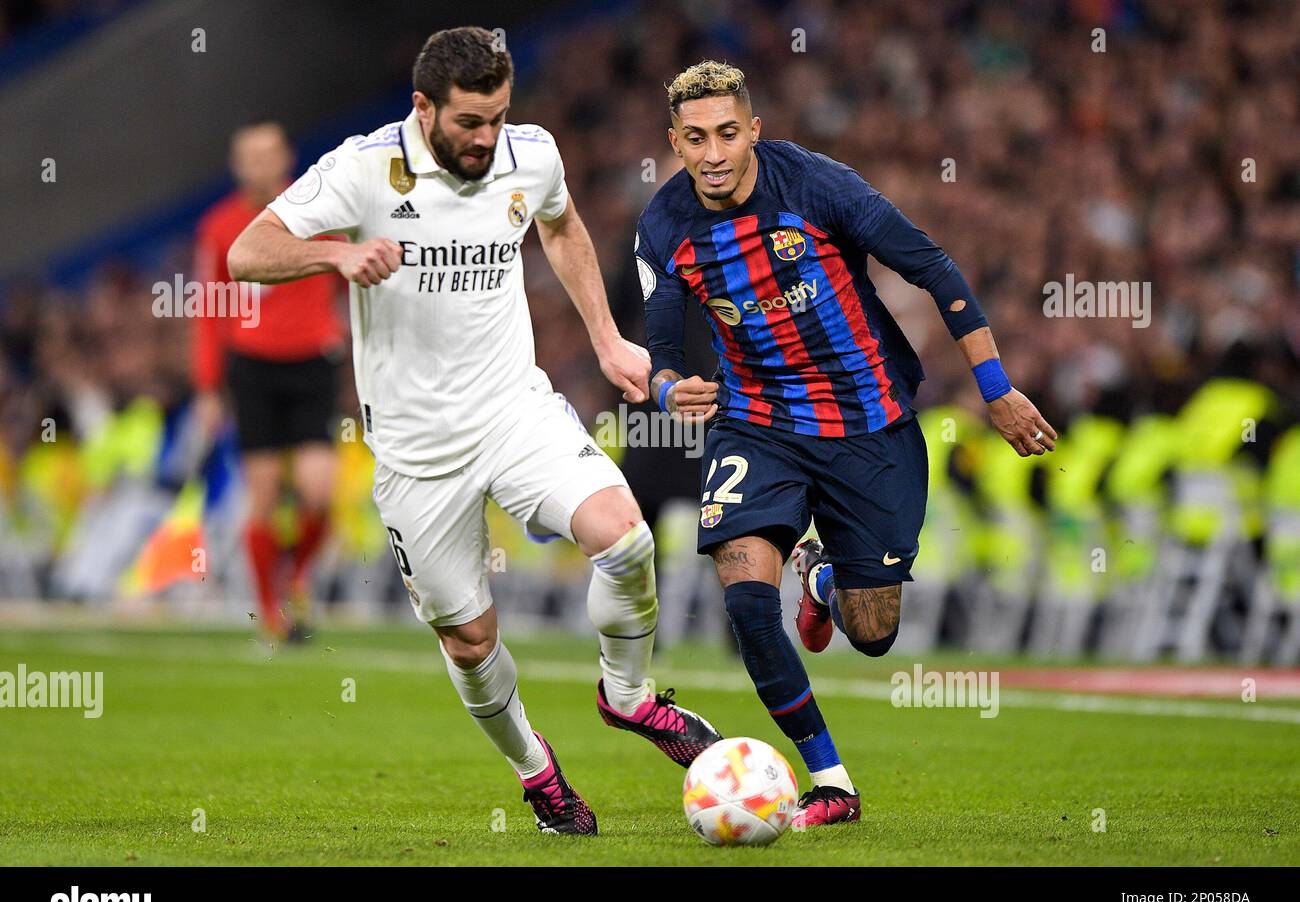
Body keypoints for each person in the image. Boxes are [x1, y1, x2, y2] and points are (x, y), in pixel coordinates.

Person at [227, 27, 720, 835]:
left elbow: (559, 226)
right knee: (469, 640)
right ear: (424, 108)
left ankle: (627, 699)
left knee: (624, 537)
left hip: (512, 408)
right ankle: (537, 772)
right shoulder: (365, 167)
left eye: (497, 117)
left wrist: (604, 339)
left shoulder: (531, 154)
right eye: (468, 123)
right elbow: (250, 251)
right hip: (417, 452)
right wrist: (335, 260)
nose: (486, 139)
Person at [636, 61, 1056, 828]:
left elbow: (934, 267)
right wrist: (668, 388)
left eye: (729, 133)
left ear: (754, 130)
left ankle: (826, 578)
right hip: (758, 423)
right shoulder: (664, 225)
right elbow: (661, 342)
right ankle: (832, 782)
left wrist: (995, 387)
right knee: (750, 604)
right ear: (675, 142)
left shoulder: (818, 187)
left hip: (870, 423)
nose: (715, 153)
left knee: (873, 633)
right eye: (695, 139)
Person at [192, 120, 345, 644]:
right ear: (237, 165)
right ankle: (270, 615)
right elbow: (210, 310)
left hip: (311, 363)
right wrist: (209, 387)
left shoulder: (318, 211)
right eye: (249, 156)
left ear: (287, 157)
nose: (259, 165)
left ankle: (296, 575)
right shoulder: (218, 227)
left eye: (268, 154)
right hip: (252, 368)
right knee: (259, 494)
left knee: (319, 490)